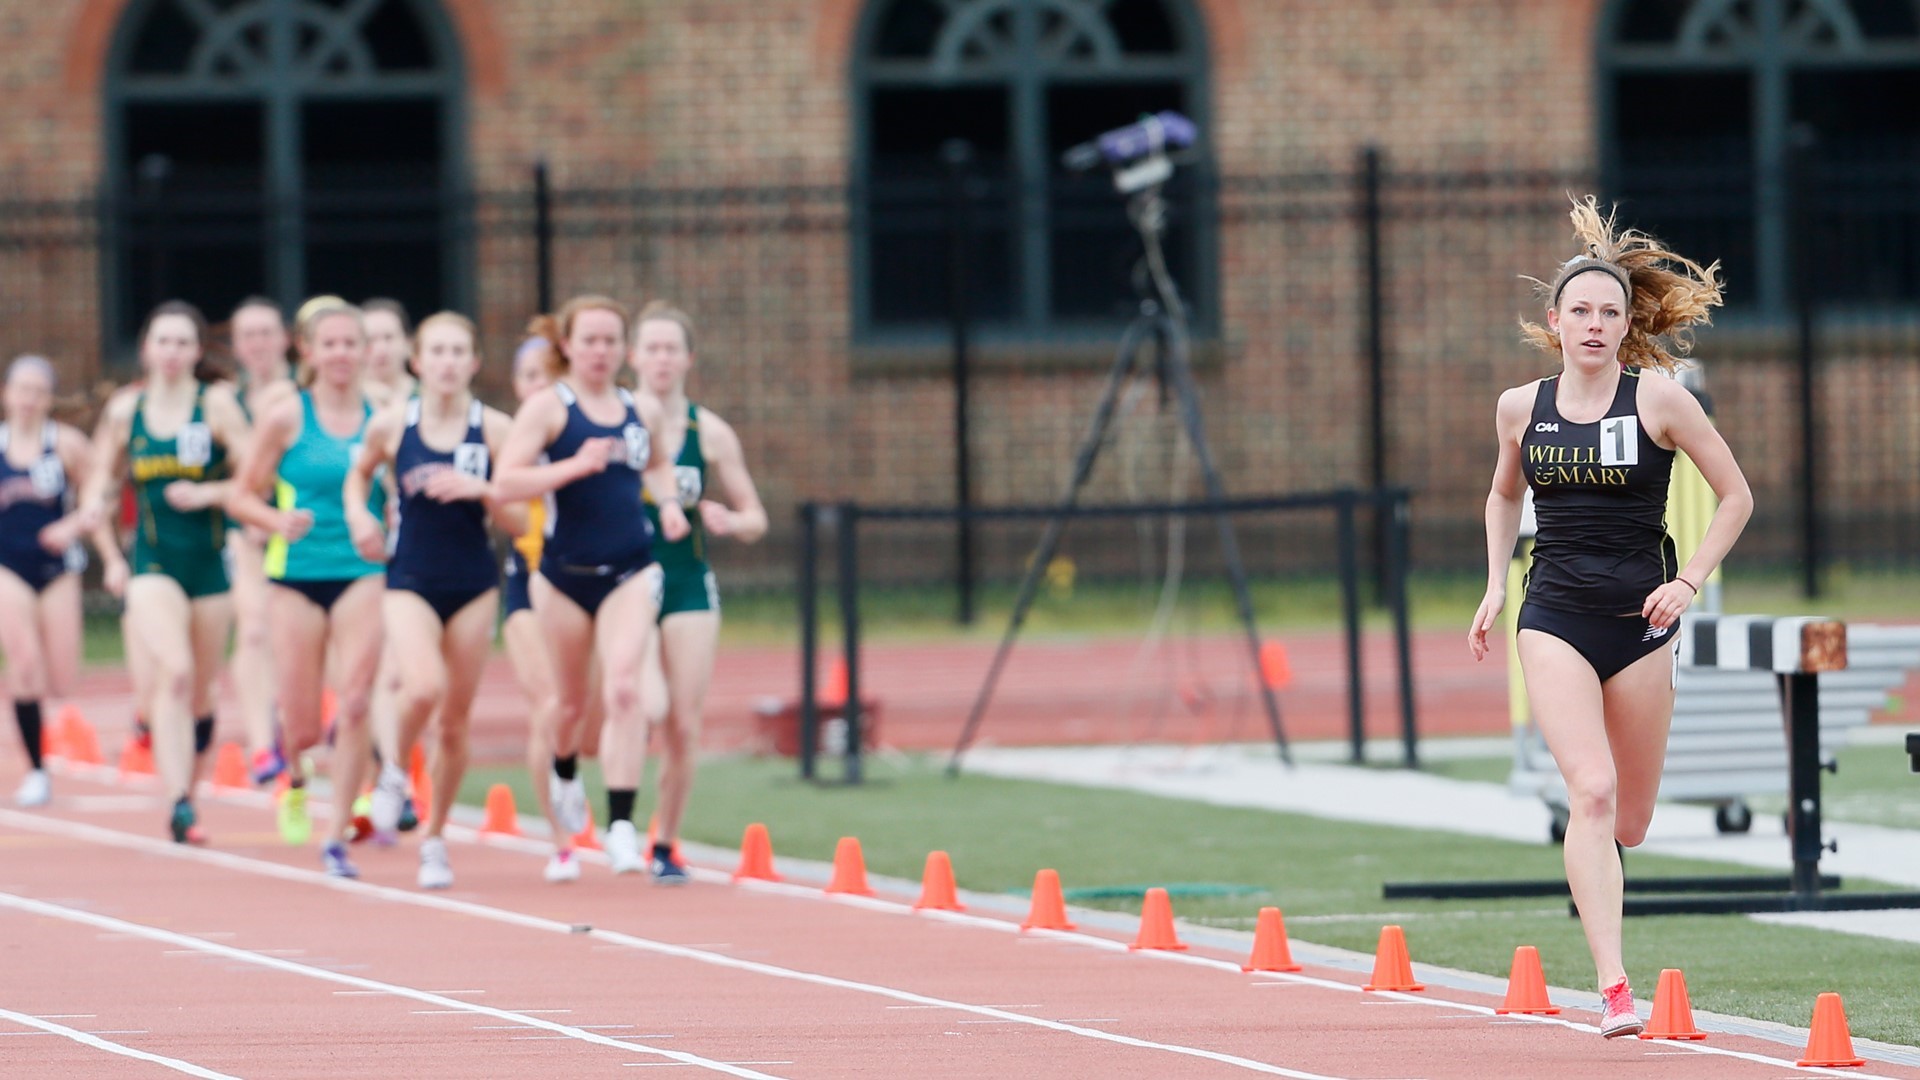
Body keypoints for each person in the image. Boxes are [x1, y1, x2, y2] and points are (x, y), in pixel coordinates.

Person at [1468, 197, 1751, 1038]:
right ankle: (1614, 986)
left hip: (1641, 625)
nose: (1594, 325)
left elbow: (1736, 497)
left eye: (1610, 313)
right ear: (1554, 322)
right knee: (1589, 791)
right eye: (1580, 311)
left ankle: (1615, 872)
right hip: (1551, 612)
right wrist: (1493, 585)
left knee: (1630, 818)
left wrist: (1690, 581)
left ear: (1627, 325)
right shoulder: (1521, 408)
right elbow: (1501, 492)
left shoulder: (1661, 402)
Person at [493, 295, 688, 884]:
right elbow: (505, 482)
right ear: (567, 347)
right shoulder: (548, 409)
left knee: (625, 687)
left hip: (630, 570)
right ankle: (565, 770)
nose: (600, 351)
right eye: (590, 341)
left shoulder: (638, 409)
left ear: (622, 350)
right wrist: (573, 467)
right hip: (562, 577)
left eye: (610, 341)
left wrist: (671, 503)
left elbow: (654, 463)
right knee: (571, 704)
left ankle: (622, 827)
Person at [346, 312, 522, 888]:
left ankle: (436, 837)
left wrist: (487, 490)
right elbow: (358, 475)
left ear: (473, 362)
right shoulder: (394, 425)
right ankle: (393, 771)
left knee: (453, 723)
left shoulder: (496, 430)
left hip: (472, 582)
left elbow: (525, 517)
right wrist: (359, 517)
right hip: (410, 578)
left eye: (458, 352)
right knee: (422, 685)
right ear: (417, 362)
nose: (447, 362)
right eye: (437, 352)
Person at [228, 299, 387, 878]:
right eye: (332, 343)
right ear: (309, 351)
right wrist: (275, 521)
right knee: (301, 723)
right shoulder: (287, 416)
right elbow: (241, 494)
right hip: (296, 575)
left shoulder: (385, 416)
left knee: (358, 697)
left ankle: (338, 831)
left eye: (352, 343)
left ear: (367, 352)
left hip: (363, 571)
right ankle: (296, 777)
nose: (342, 353)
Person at [83, 303, 250, 842]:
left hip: (210, 565)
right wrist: (108, 551)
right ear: (146, 348)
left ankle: (189, 792)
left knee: (200, 694)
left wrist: (210, 491)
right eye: (163, 341)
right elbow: (100, 484)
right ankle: (178, 800)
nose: (172, 352)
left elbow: (257, 481)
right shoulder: (125, 411)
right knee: (173, 671)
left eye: (183, 343)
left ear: (198, 351)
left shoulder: (217, 405)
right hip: (152, 562)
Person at [615, 302, 767, 880]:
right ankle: (620, 819)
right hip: (628, 580)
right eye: (650, 348)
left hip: (687, 583)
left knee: (683, 722)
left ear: (688, 358)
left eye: (670, 348)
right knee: (645, 703)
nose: (660, 358)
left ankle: (664, 843)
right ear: (634, 357)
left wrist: (732, 520)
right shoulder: (616, 422)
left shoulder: (711, 432)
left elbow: (758, 517)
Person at [498, 333, 607, 856]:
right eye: (528, 376)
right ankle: (560, 836)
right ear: (518, 386)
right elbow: (495, 491)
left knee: (582, 712)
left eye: (547, 374)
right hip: (527, 573)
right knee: (546, 702)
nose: (538, 384)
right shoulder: (505, 437)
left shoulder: (582, 430)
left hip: (584, 580)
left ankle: (569, 770)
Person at [1, 356, 98, 807]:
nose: (28, 400)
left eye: (38, 391)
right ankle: (37, 770)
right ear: (6, 393)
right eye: (21, 389)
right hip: (7, 568)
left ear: (49, 398)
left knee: (60, 679)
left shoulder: (67, 445)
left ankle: (43, 746)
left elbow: (102, 496)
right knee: (23, 664)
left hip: (57, 570)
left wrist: (73, 525)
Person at [224, 297, 294, 784]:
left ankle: (303, 724)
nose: (258, 344)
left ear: (285, 339)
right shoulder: (222, 401)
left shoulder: (302, 397)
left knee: (299, 638)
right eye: (248, 335)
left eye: (267, 333)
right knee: (252, 629)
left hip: (300, 528)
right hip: (246, 533)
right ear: (235, 345)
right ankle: (262, 744)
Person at [362, 298, 418, 407]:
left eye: (388, 338)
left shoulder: (428, 395)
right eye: (370, 340)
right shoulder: (345, 400)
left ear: (408, 343)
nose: (381, 349)